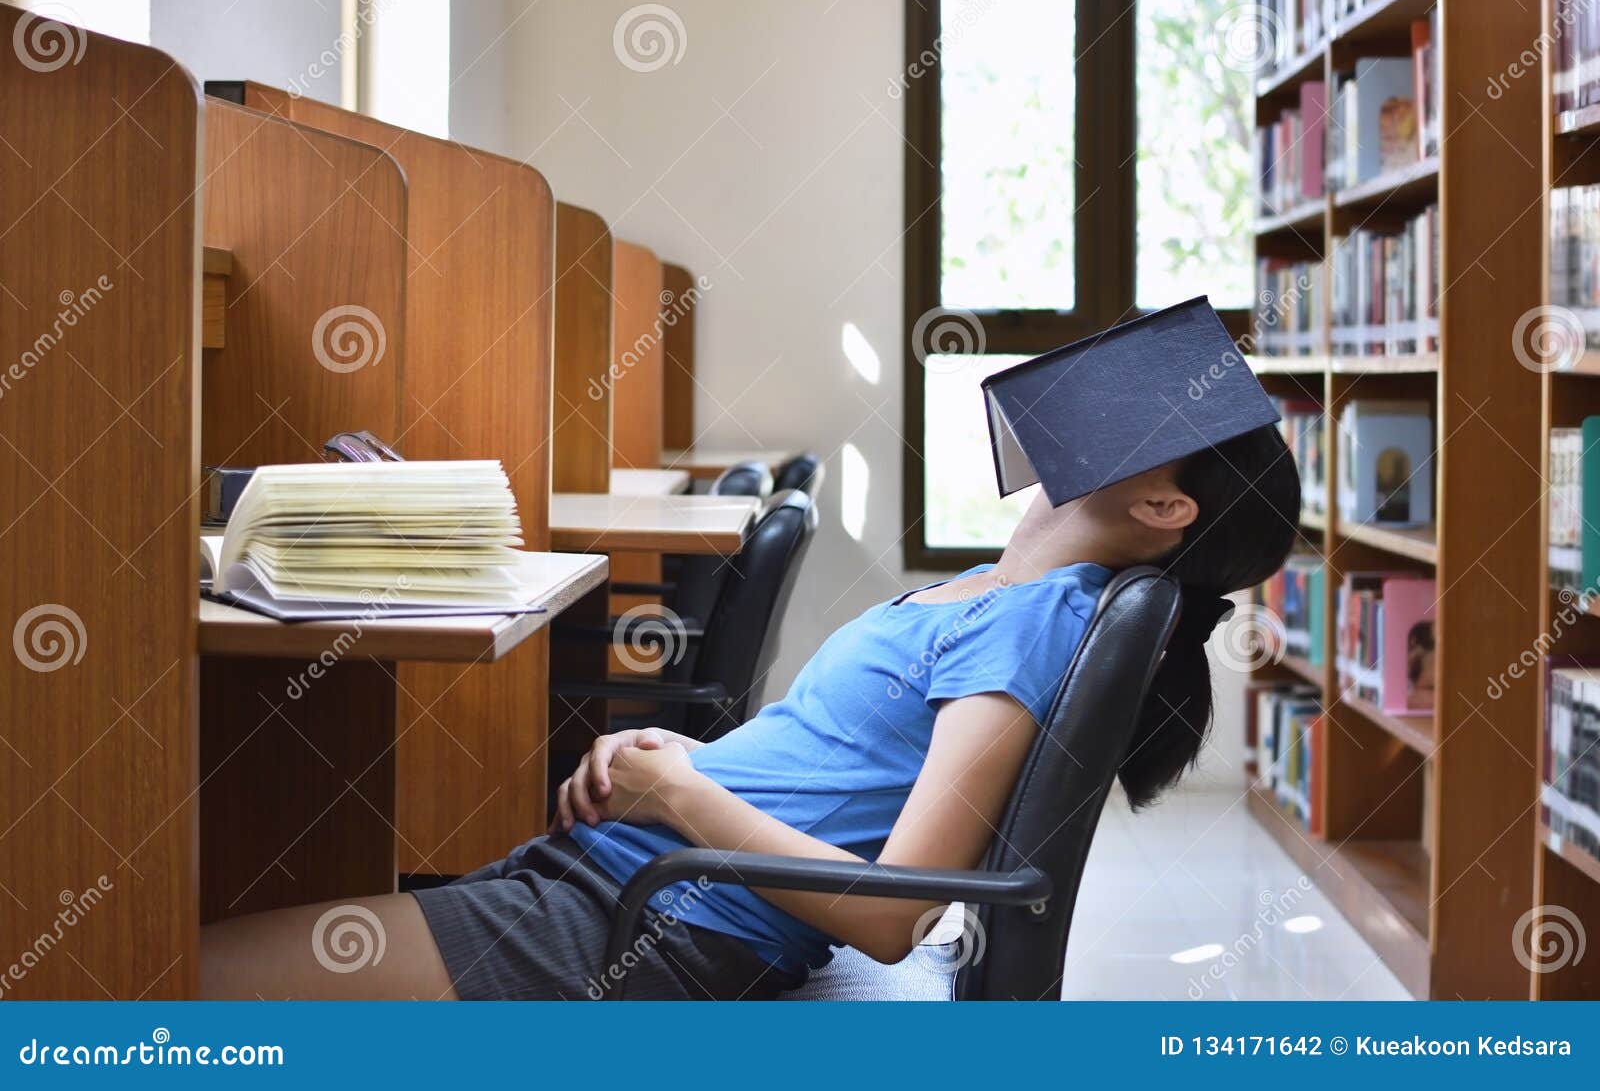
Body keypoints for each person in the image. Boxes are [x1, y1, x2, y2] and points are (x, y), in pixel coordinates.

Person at [201, 424, 1301, 1000]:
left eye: (1137, 425)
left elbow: (892, 913)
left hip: (649, 929)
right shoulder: (990, 590)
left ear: (1163, 506)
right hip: (624, 887)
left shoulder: (1028, 623)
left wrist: (676, 790)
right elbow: (835, 761)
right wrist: (687, 754)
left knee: (163, 979)